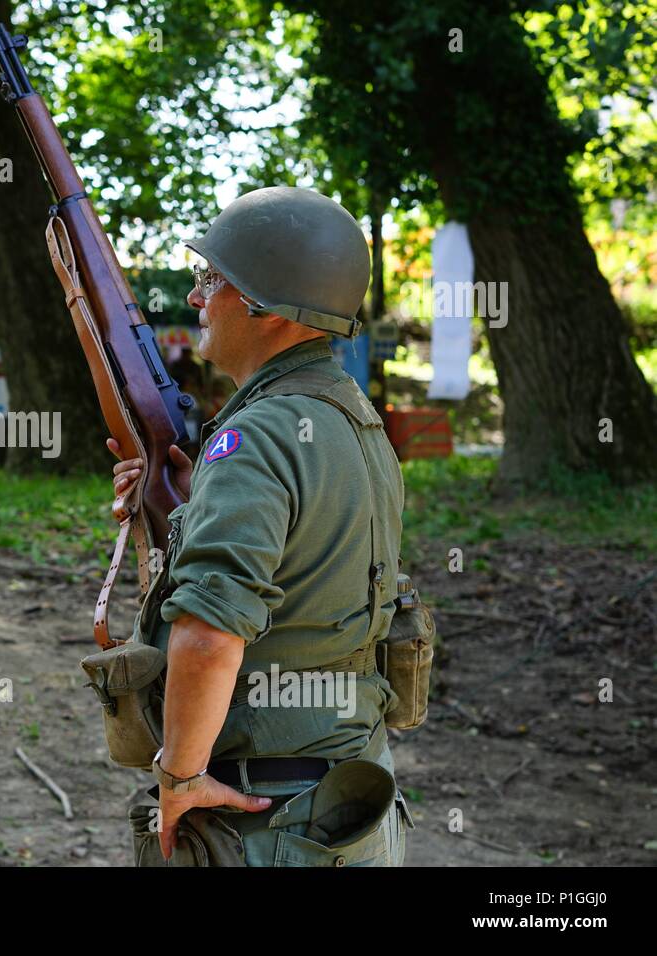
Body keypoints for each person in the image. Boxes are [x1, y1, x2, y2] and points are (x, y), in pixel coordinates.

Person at [107, 185, 413, 866]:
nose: (195, 298)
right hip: (352, 800)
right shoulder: (353, 420)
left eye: (210, 279)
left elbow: (210, 639)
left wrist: (181, 777)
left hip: (267, 825)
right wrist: (195, 506)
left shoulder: (256, 438)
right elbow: (311, 561)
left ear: (263, 303)